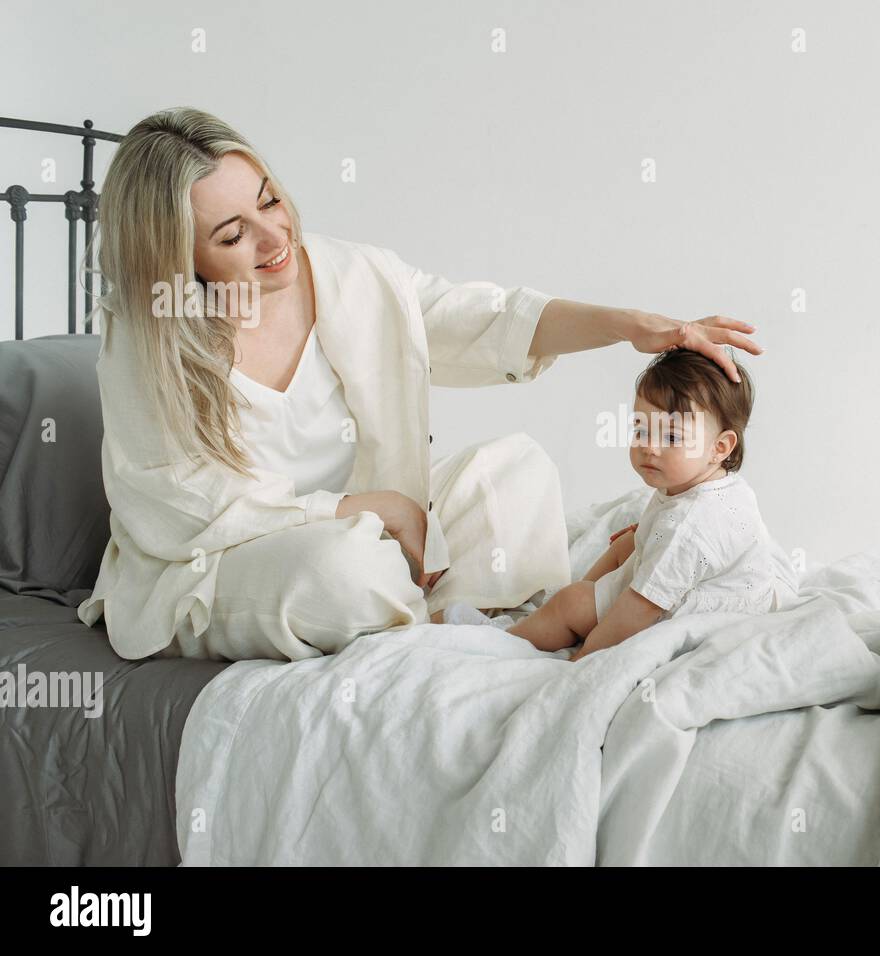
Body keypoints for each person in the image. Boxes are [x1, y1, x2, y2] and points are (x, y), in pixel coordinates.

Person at [75, 106, 761, 663]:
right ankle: (440, 632)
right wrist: (367, 510)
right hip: (233, 562)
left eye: (270, 201)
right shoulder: (148, 337)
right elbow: (182, 507)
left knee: (519, 469)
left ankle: (460, 631)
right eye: (232, 236)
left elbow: (480, 318)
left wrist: (630, 325)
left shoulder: (347, 274)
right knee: (340, 573)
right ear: (178, 258)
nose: (273, 236)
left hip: (376, 536)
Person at [500, 349, 799, 660]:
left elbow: (641, 609)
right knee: (626, 543)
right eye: (641, 430)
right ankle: (578, 609)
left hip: (700, 614)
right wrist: (645, 534)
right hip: (736, 588)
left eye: (671, 437)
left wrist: (586, 658)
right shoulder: (713, 485)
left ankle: (511, 638)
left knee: (571, 602)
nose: (649, 448)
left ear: (719, 447)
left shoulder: (688, 526)